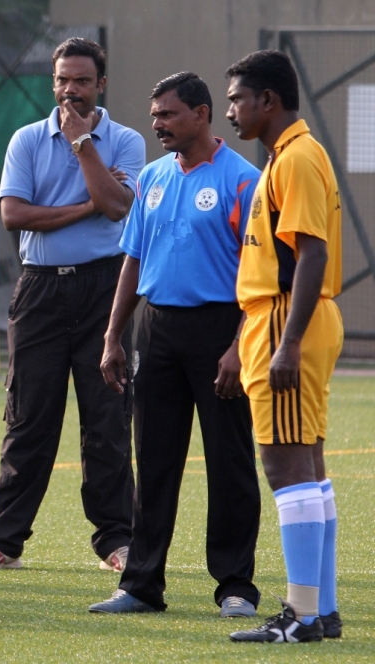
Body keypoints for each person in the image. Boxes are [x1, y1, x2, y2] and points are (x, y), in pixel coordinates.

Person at [0, 38, 144, 573]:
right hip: (39, 289)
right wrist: (88, 203)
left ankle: (117, 539)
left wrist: (84, 146)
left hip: (106, 290)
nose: (70, 90)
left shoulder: (127, 141)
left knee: (107, 418)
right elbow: (14, 215)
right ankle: (3, 542)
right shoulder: (25, 139)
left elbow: (118, 208)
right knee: (29, 417)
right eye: (63, 80)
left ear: (101, 85)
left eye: (82, 81)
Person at [87, 72, 261, 617]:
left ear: (202, 114)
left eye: (168, 114)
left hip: (220, 330)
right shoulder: (155, 177)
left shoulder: (243, 180)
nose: (157, 124)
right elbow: (133, 259)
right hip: (155, 330)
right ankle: (142, 584)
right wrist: (114, 335)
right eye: (155, 113)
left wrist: (238, 346)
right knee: (155, 458)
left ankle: (235, 585)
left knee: (229, 460)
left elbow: (263, 274)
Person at [224, 50, 343, 644]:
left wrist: (287, 343)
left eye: (237, 99)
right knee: (310, 466)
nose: (230, 111)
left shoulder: (295, 158)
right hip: (287, 319)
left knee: (285, 463)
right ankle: (322, 608)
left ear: (268, 100)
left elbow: (312, 253)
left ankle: (300, 615)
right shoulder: (289, 156)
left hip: (284, 319)